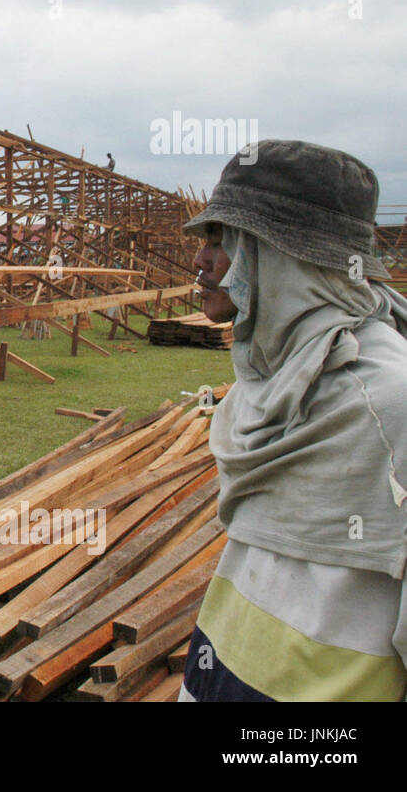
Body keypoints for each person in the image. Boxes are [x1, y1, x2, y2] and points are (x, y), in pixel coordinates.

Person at [179, 139, 407, 701]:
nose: (200, 262)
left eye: (221, 241)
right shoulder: (268, 386)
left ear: (278, 253)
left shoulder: (389, 405)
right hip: (220, 673)